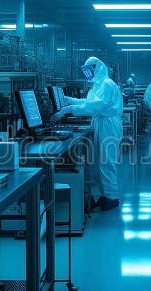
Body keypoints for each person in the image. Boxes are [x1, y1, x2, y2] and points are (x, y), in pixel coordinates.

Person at [52, 57, 124, 211]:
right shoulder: (98, 85)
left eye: (88, 70)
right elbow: (87, 102)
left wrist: (68, 109)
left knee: (107, 160)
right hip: (101, 122)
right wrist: (66, 100)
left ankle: (112, 197)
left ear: (97, 68)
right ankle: (106, 195)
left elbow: (94, 106)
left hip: (108, 124)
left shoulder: (107, 84)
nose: (87, 73)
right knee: (100, 161)